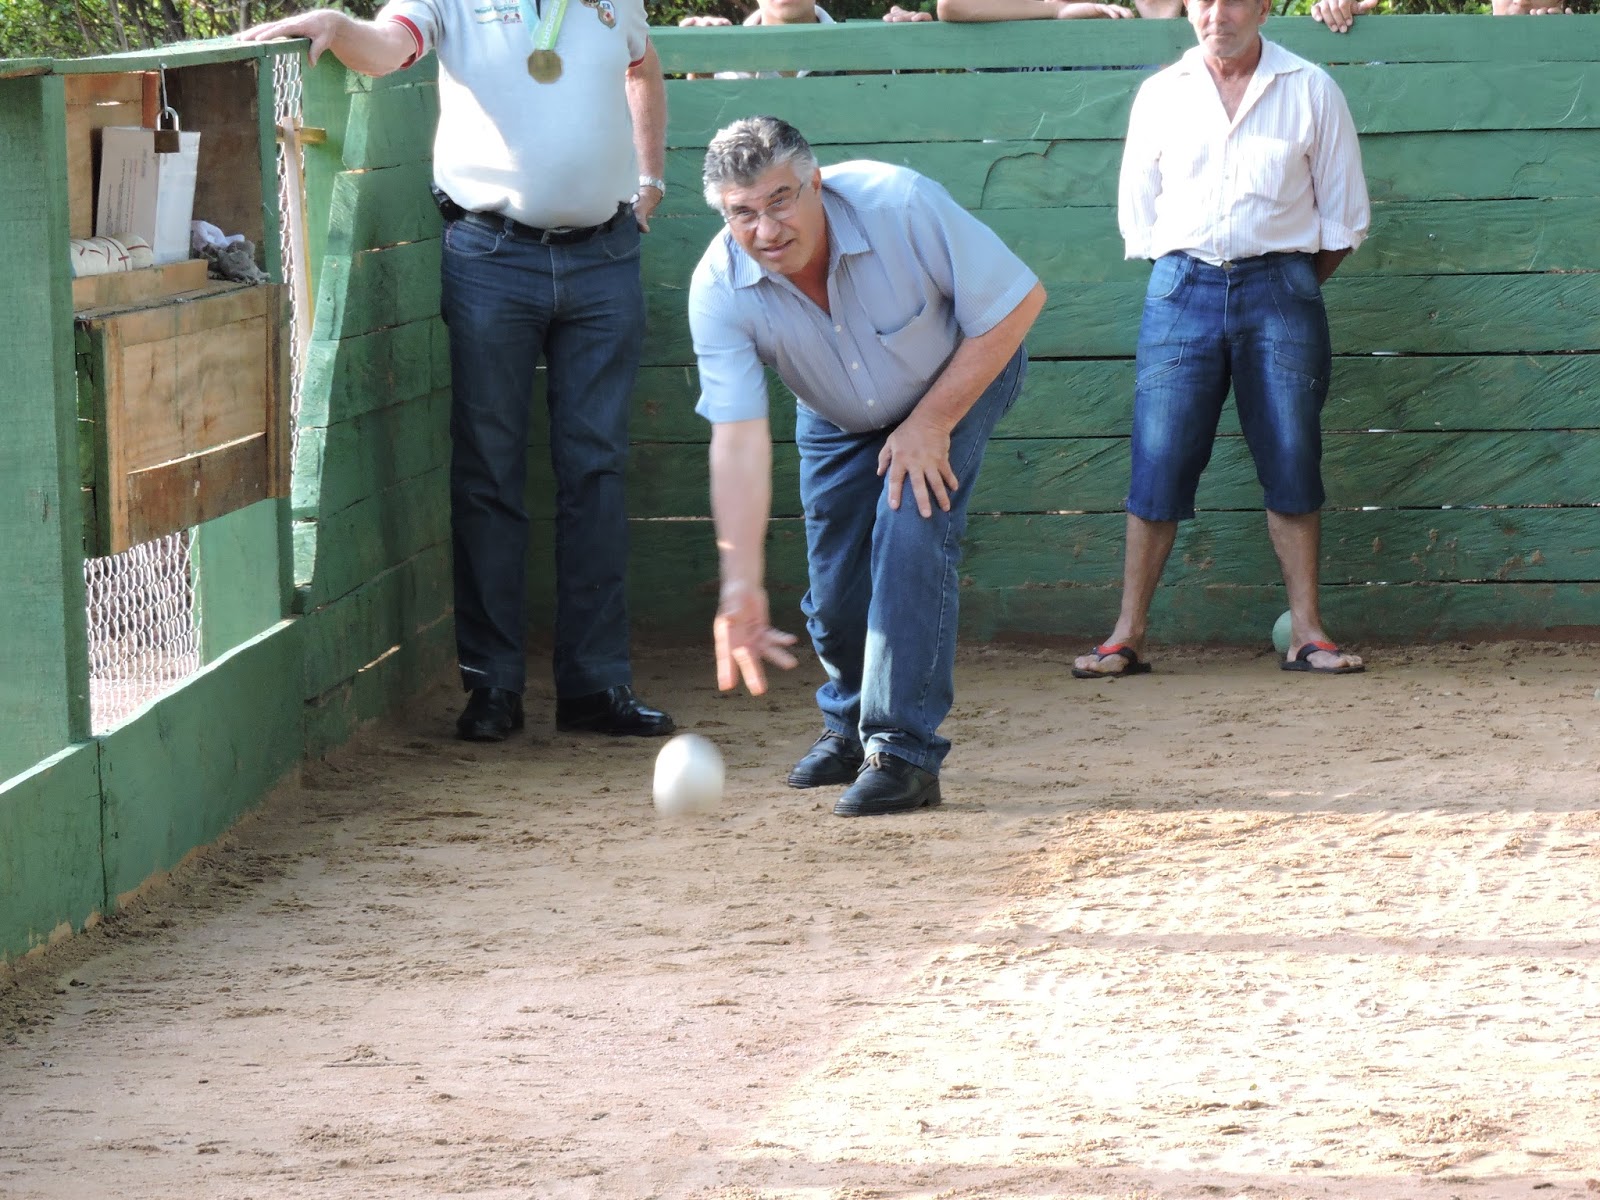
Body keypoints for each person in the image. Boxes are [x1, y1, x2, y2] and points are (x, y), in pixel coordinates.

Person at [240, 1, 676, 743]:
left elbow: (645, 67)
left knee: (597, 470)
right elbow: (389, 47)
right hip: (491, 256)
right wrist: (338, 27)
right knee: (487, 474)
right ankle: (494, 688)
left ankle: (596, 687)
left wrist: (651, 177)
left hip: (606, 256)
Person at [689, 117, 1046, 817]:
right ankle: (850, 726)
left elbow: (1017, 304)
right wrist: (740, 587)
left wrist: (933, 422)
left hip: (959, 376)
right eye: (743, 212)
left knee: (909, 532)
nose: (765, 229)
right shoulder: (719, 288)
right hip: (835, 414)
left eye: (781, 200)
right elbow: (735, 440)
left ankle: (903, 753)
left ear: (816, 184)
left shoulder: (900, 203)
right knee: (835, 591)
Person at [1073, 0, 1371, 681]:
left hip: (1283, 291)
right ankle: (1127, 636)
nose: (1217, 12)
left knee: (1294, 455)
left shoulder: (1311, 88)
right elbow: (1140, 216)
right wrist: (1199, 275)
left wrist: (1287, 279)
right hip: (1182, 287)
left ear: (1264, 6)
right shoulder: (1160, 96)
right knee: (1158, 458)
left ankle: (1308, 634)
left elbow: (1345, 215)